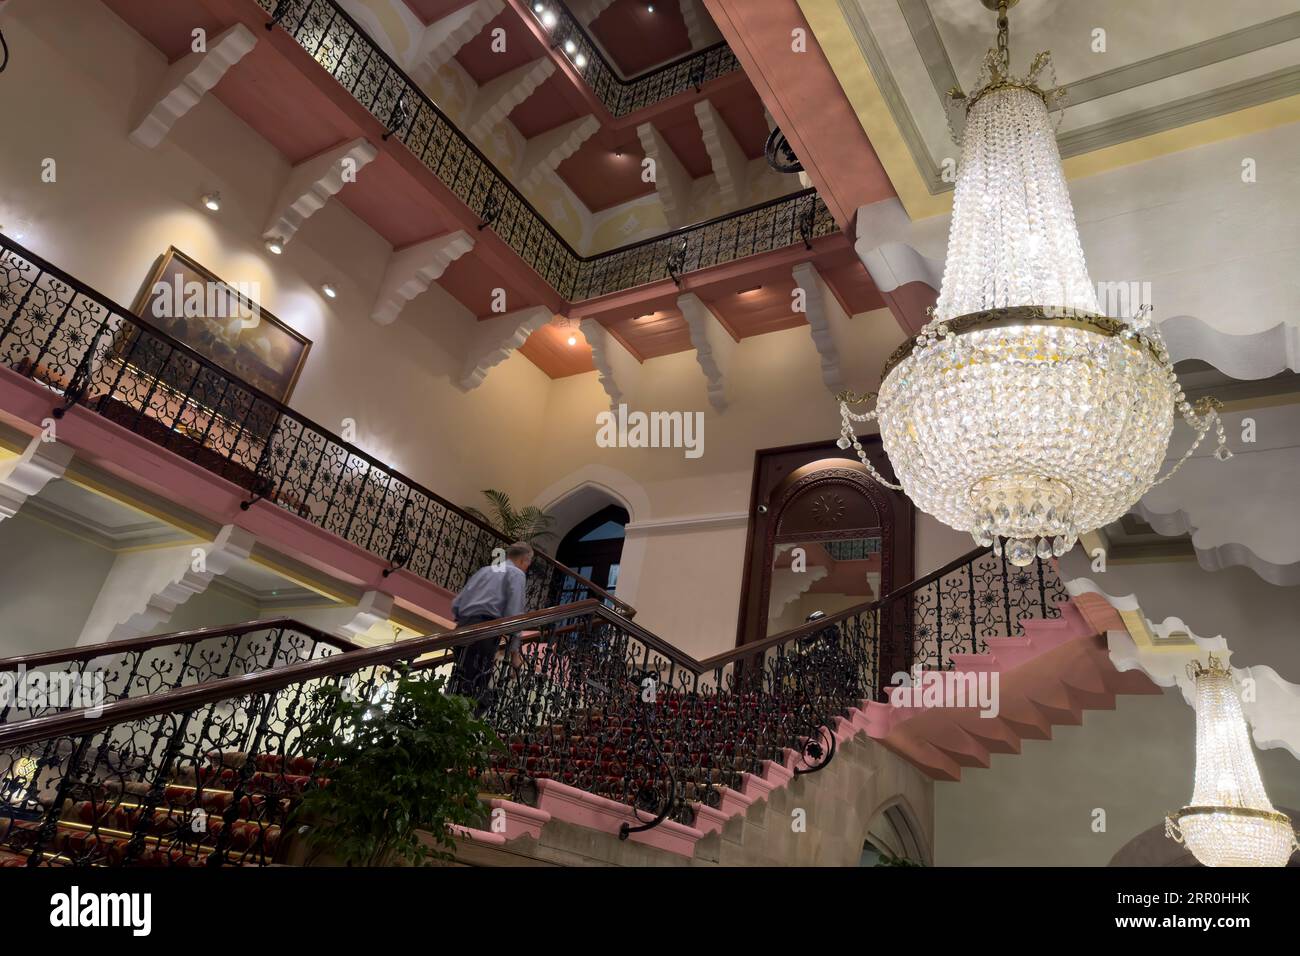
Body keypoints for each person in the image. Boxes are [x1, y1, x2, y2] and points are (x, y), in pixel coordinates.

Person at [450, 542, 533, 711]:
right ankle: (462, 724)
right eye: (528, 564)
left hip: (462, 629)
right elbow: (514, 613)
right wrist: (514, 653)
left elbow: (457, 603)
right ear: (524, 560)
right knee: (475, 687)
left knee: (460, 679)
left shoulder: (485, 570)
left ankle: (448, 719)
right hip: (486, 630)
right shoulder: (516, 574)